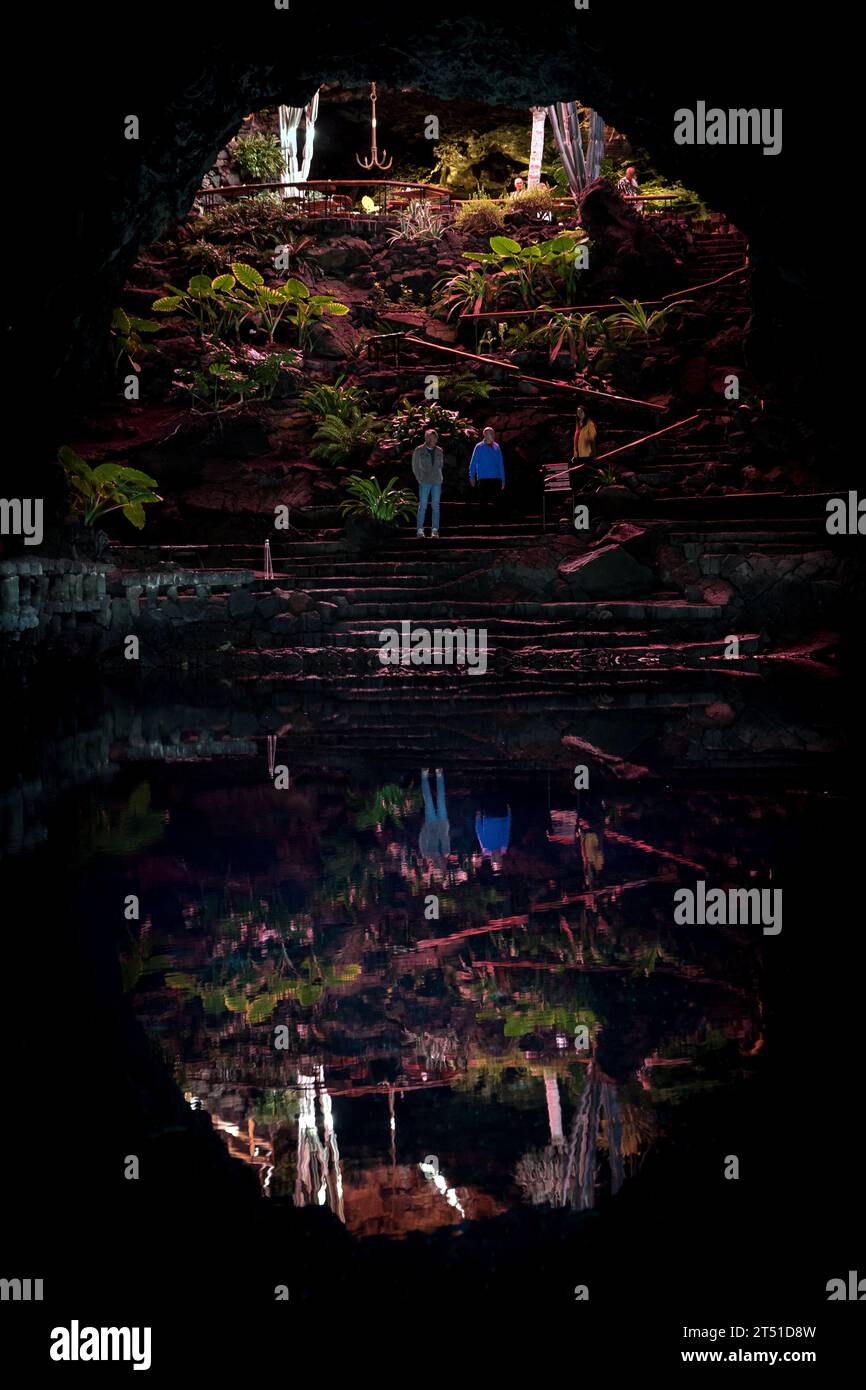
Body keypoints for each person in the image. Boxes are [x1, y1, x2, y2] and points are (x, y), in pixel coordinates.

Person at [412, 427, 444, 538]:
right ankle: (420, 530)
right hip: (424, 481)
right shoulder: (419, 450)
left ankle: (435, 530)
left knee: (436, 506)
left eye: (436, 438)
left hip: (436, 481)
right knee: (423, 505)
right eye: (433, 438)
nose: (435, 440)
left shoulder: (440, 450)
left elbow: (441, 465)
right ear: (427, 438)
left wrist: (439, 476)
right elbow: (415, 467)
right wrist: (419, 479)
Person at [419, 768, 450, 877]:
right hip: (442, 823)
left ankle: (424, 776)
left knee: (428, 800)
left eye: (438, 866)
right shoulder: (446, 852)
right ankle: (439, 774)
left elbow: (422, 839)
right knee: (440, 799)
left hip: (431, 824)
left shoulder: (427, 854)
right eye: (442, 867)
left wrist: (424, 828)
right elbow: (447, 837)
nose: (439, 864)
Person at [468, 427, 505, 511]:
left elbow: (500, 464)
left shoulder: (497, 446)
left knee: (497, 503)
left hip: (496, 478)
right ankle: (483, 520)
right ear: (485, 435)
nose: (492, 435)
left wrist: (503, 479)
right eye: (490, 433)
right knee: (483, 502)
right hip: (484, 478)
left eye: (493, 433)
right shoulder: (479, 446)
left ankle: (496, 521)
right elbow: (473, 463)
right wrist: (471, 477)